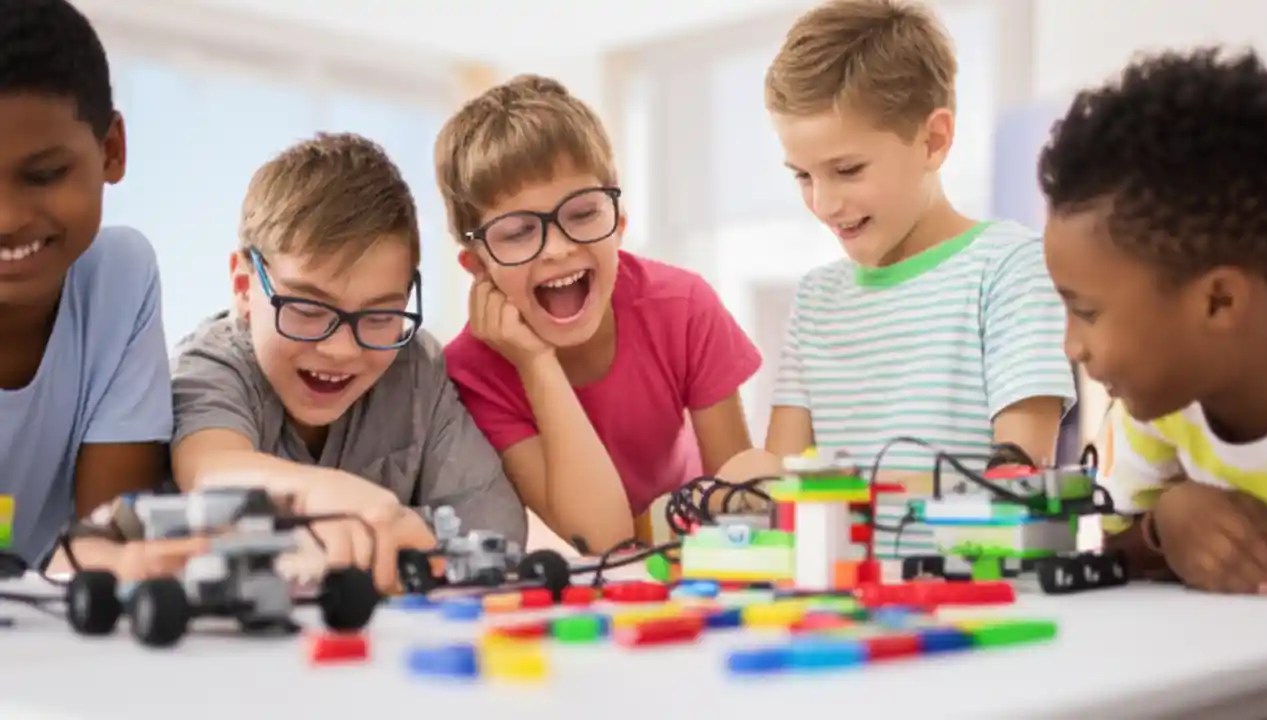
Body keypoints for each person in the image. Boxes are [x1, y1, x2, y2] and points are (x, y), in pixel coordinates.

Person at [761, 0, 1077, 557]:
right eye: (802, 176)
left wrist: (836, 493)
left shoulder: (1009, 267)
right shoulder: (815, 299)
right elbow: (781, 496)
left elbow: (1017, 482)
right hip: (847, 607)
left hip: (984, 605)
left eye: (847, 170)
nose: (824, 202)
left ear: (933, 140)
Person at [168, 133, 526, 592]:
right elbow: (211, 469)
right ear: (243, 286)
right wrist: (329, 499)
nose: (341, 350)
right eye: (308, 309)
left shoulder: (415, 369)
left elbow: (497, 530)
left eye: (380, 316)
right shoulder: (213, 365)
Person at [439, 75, 766, 553]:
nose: (558, 248)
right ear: (478, 266)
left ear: (619, 224)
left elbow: (743, 496)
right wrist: (535, 362)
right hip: (610, 576)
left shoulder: (682, 306)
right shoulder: (472, 370)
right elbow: (604, 540)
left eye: (583, 213)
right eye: (517, 232)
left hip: (704, 556)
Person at [1039, 47, 1267, 595]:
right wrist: (1167, 522)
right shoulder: (1163, 406)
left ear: (1218, 301)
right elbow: (1106, 541)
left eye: (1087, 311)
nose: (1071, 346)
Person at [0, 0, 172, 566]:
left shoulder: (120, 280)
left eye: (44, 175)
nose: (7, 218)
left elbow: (105, 541)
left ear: (111, 151)